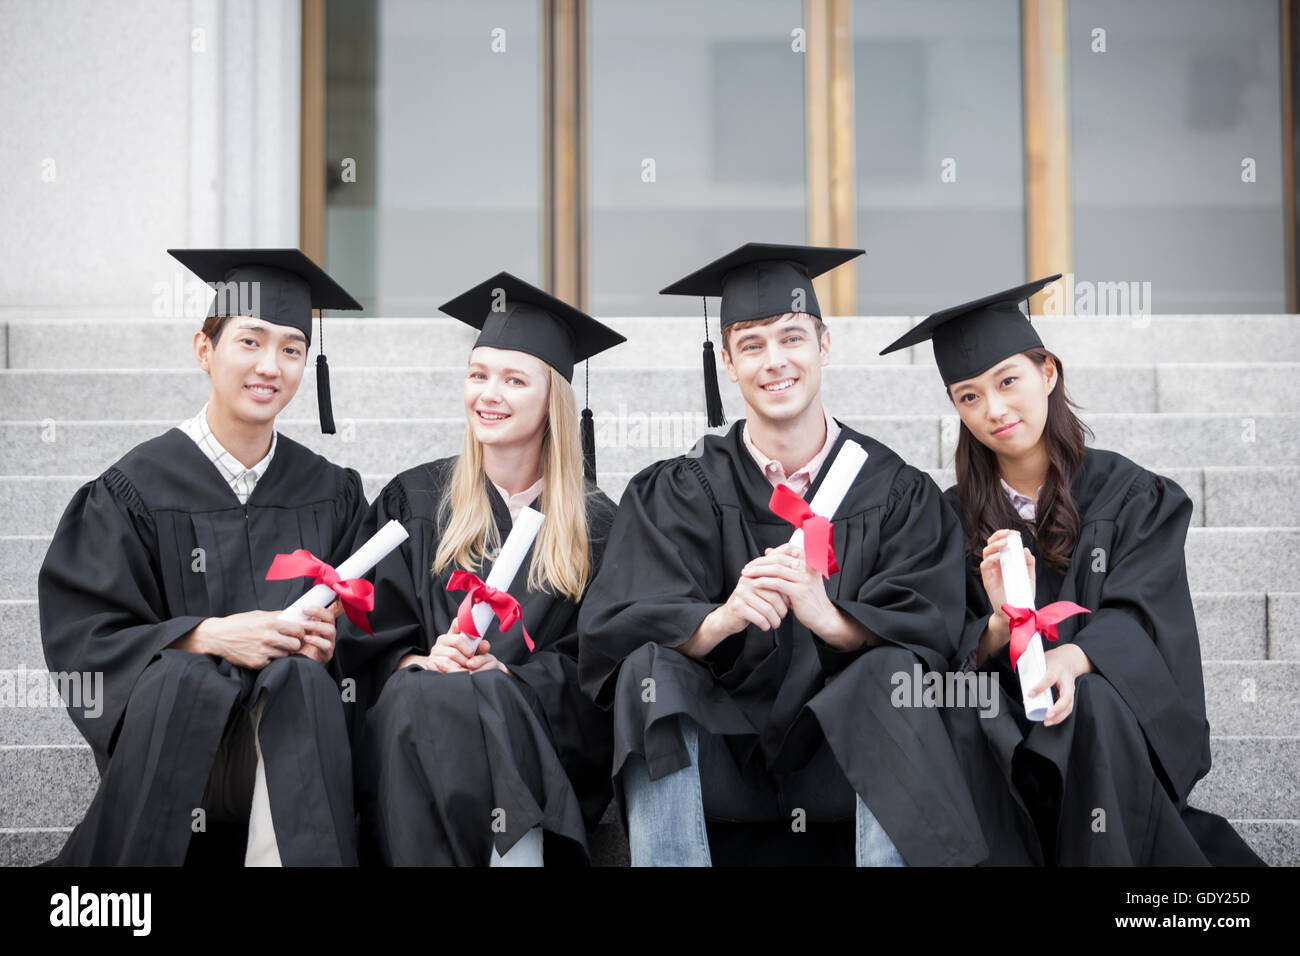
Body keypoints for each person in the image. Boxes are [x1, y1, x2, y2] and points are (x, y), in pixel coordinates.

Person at [578, 242, 997, 866]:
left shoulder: (893, 491)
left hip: (846, 763)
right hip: (722, 758)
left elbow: (937, 633)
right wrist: (723, 616)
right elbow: (617, 627)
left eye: (792, 338)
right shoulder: (682, 489)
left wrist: (828, 616)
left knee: (895, 674)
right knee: (647, 674)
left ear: (824, 346)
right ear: (726, 360)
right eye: (751, 344)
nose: (774, 361)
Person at [879, 275, 1265, 866]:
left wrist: (1076, 657)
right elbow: (933, 642)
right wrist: (996, 628)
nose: (995, 409)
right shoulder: (948, 518)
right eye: (969, 396)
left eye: (1008, 380)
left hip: (1103, 730)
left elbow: (1148, 613)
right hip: (1000, 731)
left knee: (1096, 702)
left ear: (1048, 372)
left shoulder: (1132, 496)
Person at [39, 248, 368, 866]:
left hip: (287, 757)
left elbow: (370, 640)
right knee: (184, 676)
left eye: (292, 348)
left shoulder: (331, 491)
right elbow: (89, 638)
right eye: (250, 341)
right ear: (203, 350)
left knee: (302, 679)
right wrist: (209, 636)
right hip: (172, 751)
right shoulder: (134, 489)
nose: (270, 366)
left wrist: (332, 643)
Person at [337, 272, 624, 866]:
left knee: (487, 690)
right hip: (416, 731)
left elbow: (604, 670)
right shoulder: (415, 501)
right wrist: (418, 660)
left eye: (514, 380)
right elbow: (362, 639)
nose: (488, 394)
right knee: (422, 691)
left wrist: (511, 678)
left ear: (554, 400)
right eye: (478, 375)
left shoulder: (598, 525)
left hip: (538, 743)